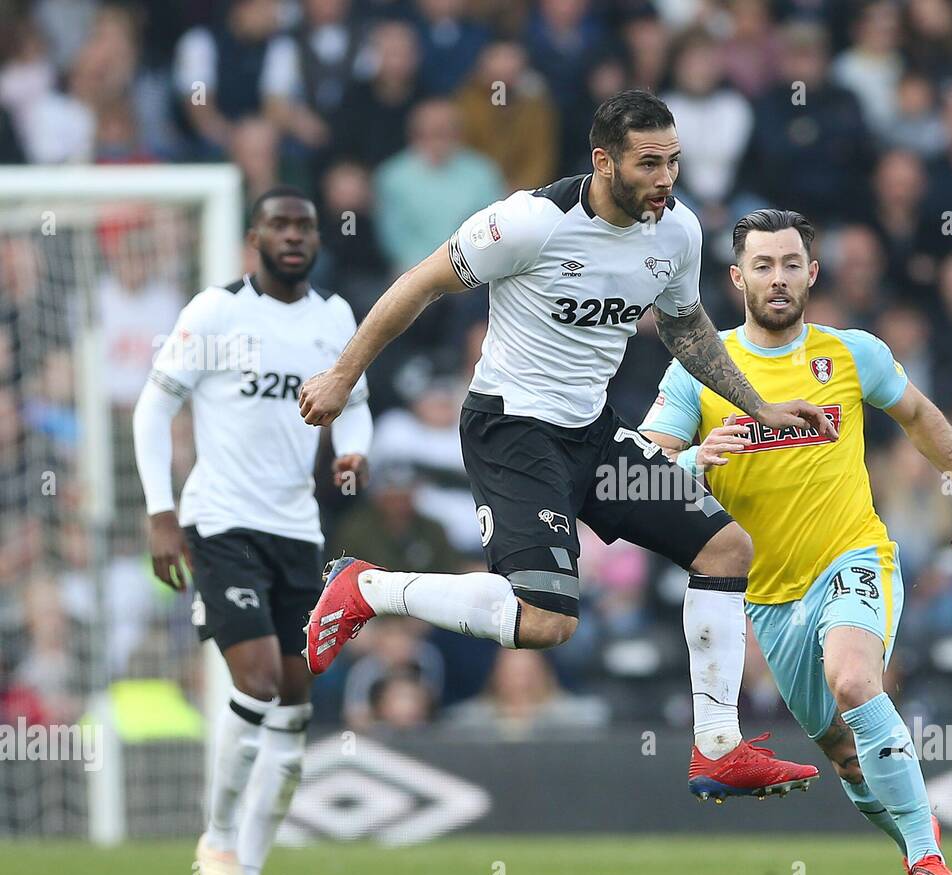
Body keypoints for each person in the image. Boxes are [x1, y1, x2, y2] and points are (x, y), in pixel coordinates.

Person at [298, 90, 830, 800]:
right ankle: (367, 587)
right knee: (546, 622)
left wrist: (757, 405)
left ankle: (717, 749)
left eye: (673, 162)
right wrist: (342, 375)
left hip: (595, 437)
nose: (666, 179)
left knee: (727, 548)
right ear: (603, 161)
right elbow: (419, 285)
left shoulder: (677, 231)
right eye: (648, 164)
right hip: (514, 432)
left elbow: (685, 327)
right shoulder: (529, 223)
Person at [640, 209, 952, 875]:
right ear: (737, 278)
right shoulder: (697, 371)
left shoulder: (851, 353)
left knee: (854, 680)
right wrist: (696, 459)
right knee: (845, 756)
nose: (778, 278)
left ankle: (928, 856)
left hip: (853, 555)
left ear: (812, 273)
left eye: (791, 264)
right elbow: (641, 475)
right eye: (763, 265)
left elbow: (919, 416)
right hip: (769, 597)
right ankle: (915, 841)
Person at [132, 187, 373, 875]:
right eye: (279, 225)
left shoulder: (335, 318)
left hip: (296, 532)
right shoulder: (216, 313)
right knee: (259, 680)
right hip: (221, 522)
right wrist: (161, 512)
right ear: (254, 238)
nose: (293, 236)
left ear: (317, 240)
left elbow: (356, 401)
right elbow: (153, 406)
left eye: (305, 226)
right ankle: (216, 844)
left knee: (296, 713)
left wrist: (353, 450)